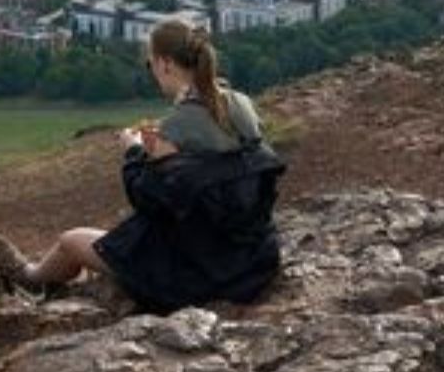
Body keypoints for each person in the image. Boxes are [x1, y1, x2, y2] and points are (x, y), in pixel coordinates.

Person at [21, 18, 285, 313]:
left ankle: (27, 278)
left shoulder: (176, 128)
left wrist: (135, 151)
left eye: (151, 65)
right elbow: (224, 165)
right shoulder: (241, 104)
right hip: (253, 259)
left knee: (70, 242)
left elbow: (146, 198)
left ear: (164, 64)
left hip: (196, 276)